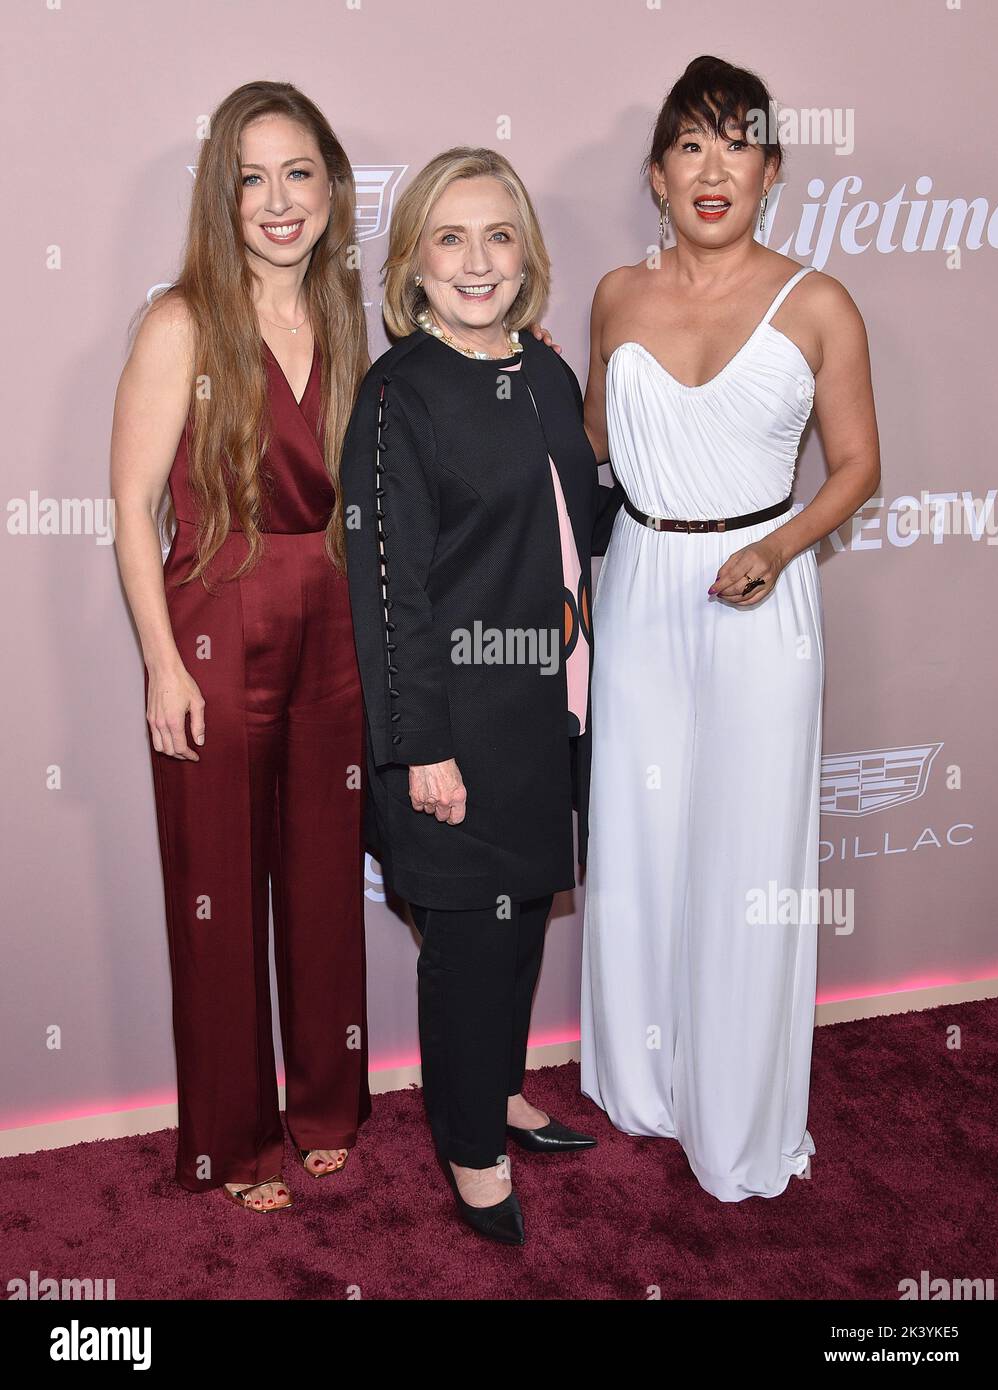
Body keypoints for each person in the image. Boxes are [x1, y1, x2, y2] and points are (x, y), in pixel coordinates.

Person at [579, 55, 881, 1201]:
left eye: (737, 144)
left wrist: (775, 548)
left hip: (760, 588)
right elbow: (598, 441)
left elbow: (858, 466)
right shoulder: (615, 293)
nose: (714, 168)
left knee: (749, 851)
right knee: (643, 841)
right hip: (641, 586)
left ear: (770, 169)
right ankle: (646, 1083)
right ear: (657, 177)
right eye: (689, 147)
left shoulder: (816, 301)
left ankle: (740, 1115)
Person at [341, 148, 620, 1245]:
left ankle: (497, 1090)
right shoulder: (397, 395)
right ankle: (469, 1146)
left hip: (552, 706)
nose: (476, 259)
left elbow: (580, 523)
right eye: (449, 238)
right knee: (466, 939)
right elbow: (388, 585)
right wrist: (420, 748)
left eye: (497, 235)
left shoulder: (544, 372)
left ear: (527, 255)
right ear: (411, 262)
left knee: (518, 926)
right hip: (456, 720)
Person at [111, 82, 372, 1212]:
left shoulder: (354, 315)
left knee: (322, 879)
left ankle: (323, 1103)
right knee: (215, 890)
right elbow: (130, 507)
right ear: (224, 193)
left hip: (336, 623)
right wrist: (163, 663)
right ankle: (232, 1141)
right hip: (216, 618)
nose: (278, 200)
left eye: (298, 172)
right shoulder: (182, 321)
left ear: (331, 187)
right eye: (252, 176)